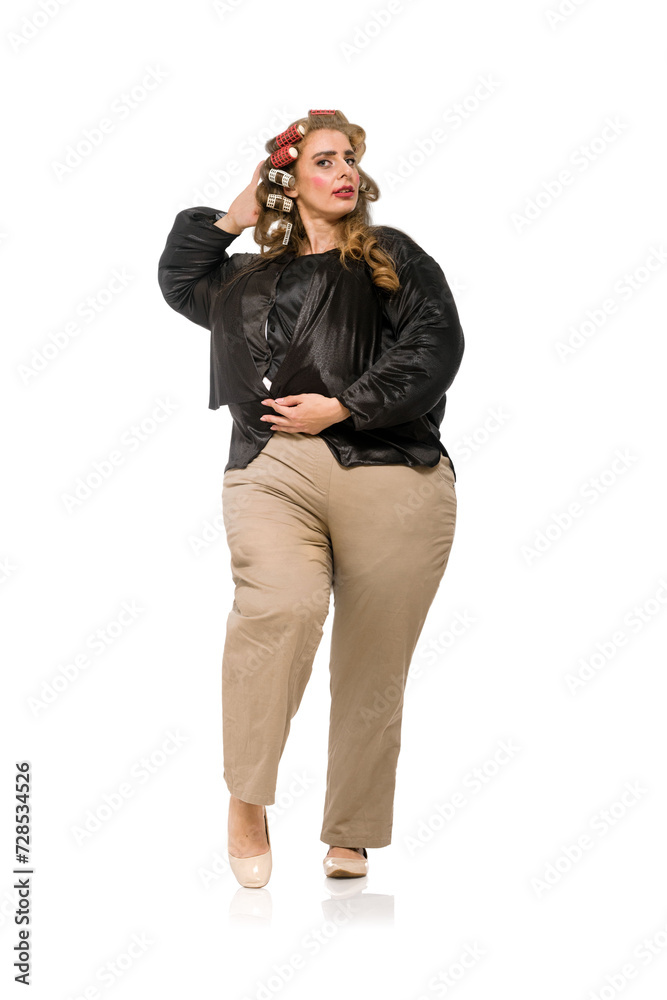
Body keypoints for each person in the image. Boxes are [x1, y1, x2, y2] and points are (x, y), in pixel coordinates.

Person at [157, 109, 464, 887]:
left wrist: (347, 405)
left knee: (372, 662)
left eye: (351, 159)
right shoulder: (242, 279)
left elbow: (434, 346)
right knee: (279, 609)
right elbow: (179, 278)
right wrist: (235, 214)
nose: (345, 172)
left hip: (390, 466)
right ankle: (247, 799)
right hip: (272, 466)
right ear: (288, 181)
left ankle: (351, 832)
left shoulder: (391, 256)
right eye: (325, 160)